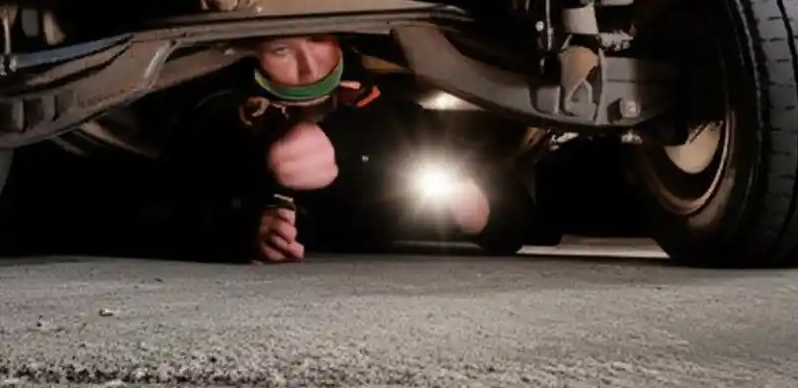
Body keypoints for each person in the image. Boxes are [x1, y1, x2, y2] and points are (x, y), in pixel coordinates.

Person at [138, 35, 535, 263]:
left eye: (317, 39)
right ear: (251, 57)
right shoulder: (218, 123)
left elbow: (526, 218)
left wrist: (481, 208)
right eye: (281, 49)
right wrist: (237, 229)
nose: (309, 67)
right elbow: (139, 207)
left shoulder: (394, 119)